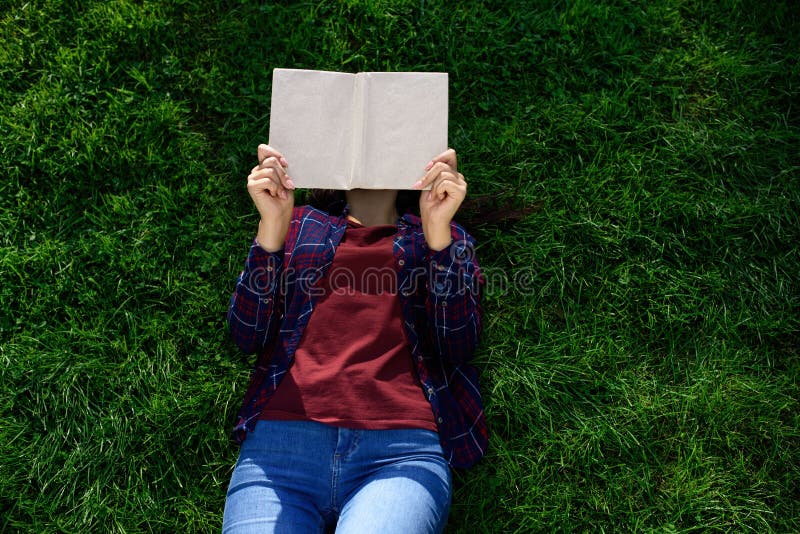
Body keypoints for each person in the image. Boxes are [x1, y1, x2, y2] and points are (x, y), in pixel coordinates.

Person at [222, 144, 487, 533]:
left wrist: (438, 234)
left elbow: (458, 344)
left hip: (401, 452)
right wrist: (271, 230)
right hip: (280, 450)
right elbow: (247, 334)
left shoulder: (445, 236)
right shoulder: (300, 225)